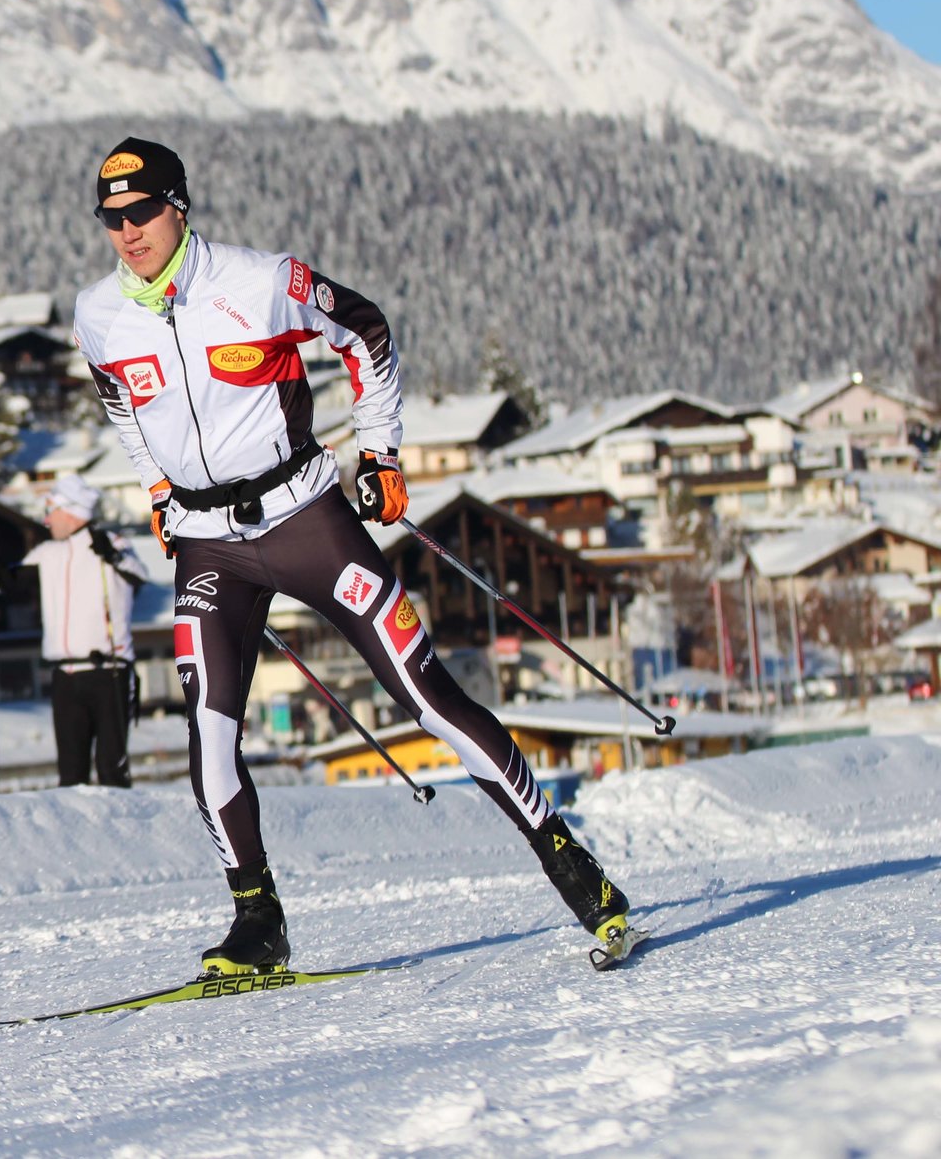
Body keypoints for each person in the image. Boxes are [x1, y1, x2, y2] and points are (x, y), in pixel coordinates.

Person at [71, 135, 634, 975]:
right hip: (207, 544)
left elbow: (364, 328)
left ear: (178, 208)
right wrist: (157, 487)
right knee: (210, 732)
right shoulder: (98, 313)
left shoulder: (261, 283)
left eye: (142, 211)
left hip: (305, 520)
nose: (127, 231)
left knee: (427, 696)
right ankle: (257, 920)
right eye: (111, 218)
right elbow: (119, 400)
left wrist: (382, 453)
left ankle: (573, 866)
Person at [22, 472, 148, 787]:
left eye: (50, 510)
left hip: (108, 670)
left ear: (70, 511)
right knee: (71, 772)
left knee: (111, 769)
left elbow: (138, 577)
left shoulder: (109, 541)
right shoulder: (48, 552)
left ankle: (118, 830)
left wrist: (113, 556)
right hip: (65, 675)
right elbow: (9, 583)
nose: (46, 520)